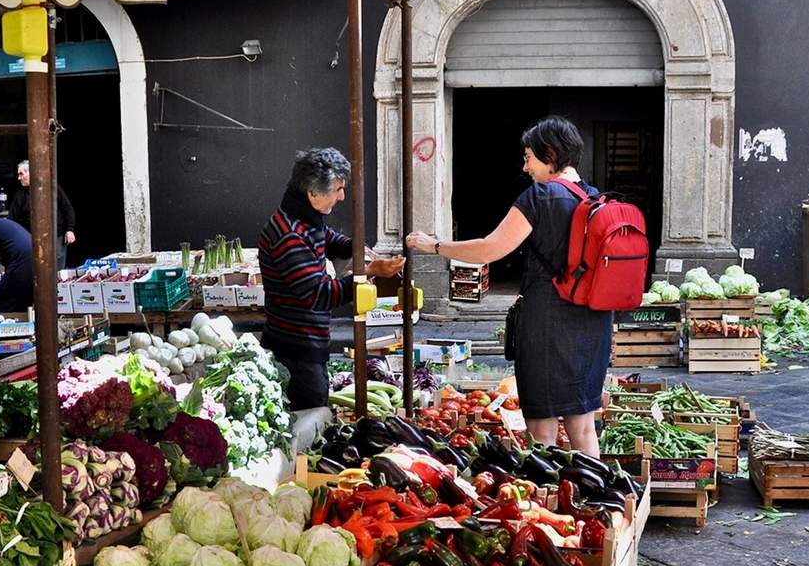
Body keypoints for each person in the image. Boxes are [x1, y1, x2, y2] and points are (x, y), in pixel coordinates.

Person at [406, 116, 612, 456]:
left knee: (542, 425)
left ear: (550, 154)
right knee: (583, 424)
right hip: (592, 323)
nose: (525, 166)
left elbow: (489, 249)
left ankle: (546, 487)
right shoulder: (593, 197)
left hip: (547, 323)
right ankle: (595, 489)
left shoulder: (540, 196)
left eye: (529, 157)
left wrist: (434, 246)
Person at [259, 147, 405, 411]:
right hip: (296, 352)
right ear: (313, 193)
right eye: (337, 190)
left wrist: (356, 248)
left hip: (307, 344)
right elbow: (320, 295)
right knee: (310, 415)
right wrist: (369, 271)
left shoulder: (303, 216)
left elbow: (327, 238)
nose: (342, 196)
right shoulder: (289, 235)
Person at [14, 160, 77, 268]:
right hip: (30, 240)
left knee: (57, 270)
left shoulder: (53, 189)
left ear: (31, 173)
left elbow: (67, 209)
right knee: (36, 270)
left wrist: (69, 230)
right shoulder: (20, 196)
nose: (19, 178)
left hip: (56, 237)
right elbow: (13, 219)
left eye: (21, 174)